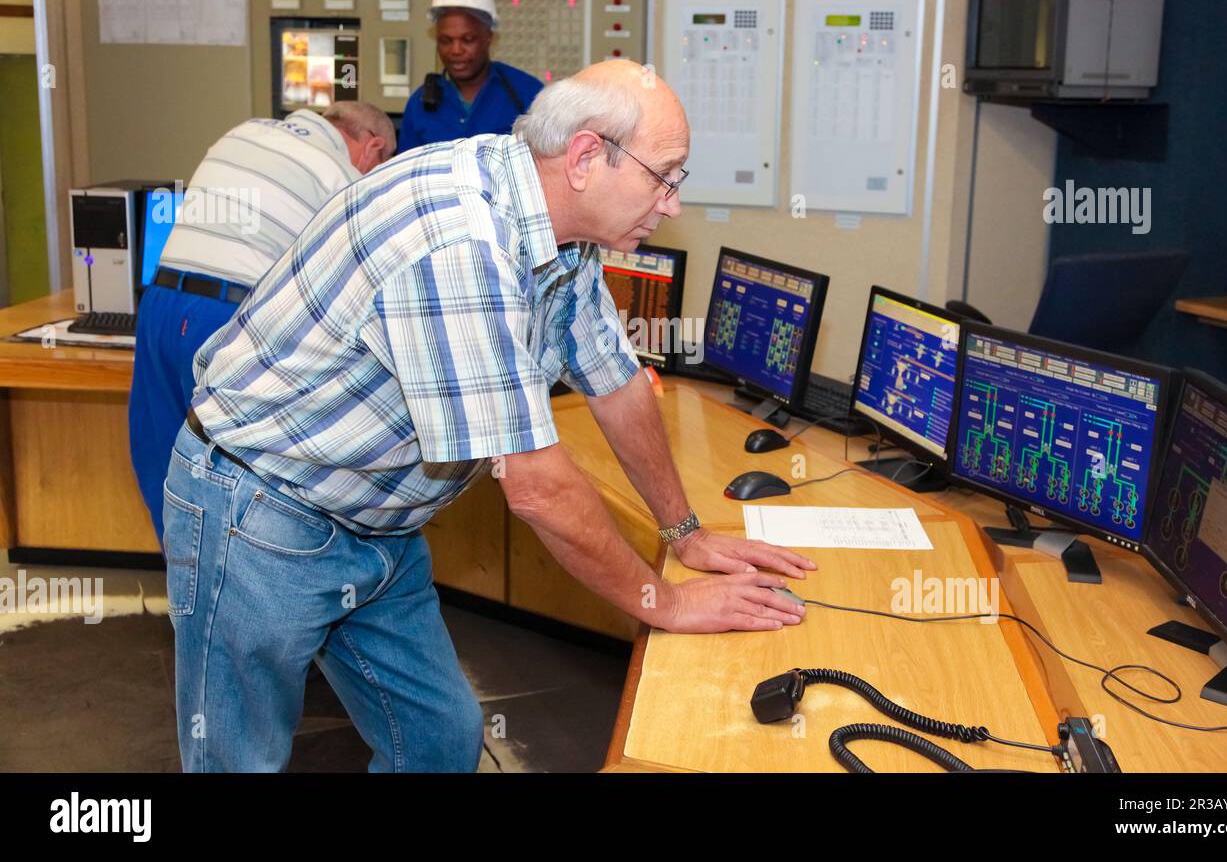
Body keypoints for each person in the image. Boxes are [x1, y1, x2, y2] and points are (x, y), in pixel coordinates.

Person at [162, 60, 815, 772]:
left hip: (375, 522)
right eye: (665, 175)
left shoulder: (563, 228)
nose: (672, 204)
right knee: (237, 760)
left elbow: (617, 381)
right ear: (587, 156)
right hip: (260, 512)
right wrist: (670, 605)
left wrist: (683, 532)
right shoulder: (463, 241)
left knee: (440, 740)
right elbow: (535, 486)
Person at [128, 103, 396, 545]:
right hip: (225, 319)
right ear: (374, 147)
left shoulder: (242, 131)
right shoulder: (339, 175)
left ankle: (180, 585)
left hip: (160, 303)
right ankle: (225, 598)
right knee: (235, 473)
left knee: (161, 450)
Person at [396, 0, 543, 153]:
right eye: (445, 40)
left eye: (468, 39)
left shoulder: (527, 94)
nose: (456, 50)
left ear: (489, 37)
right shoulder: (419, 105)